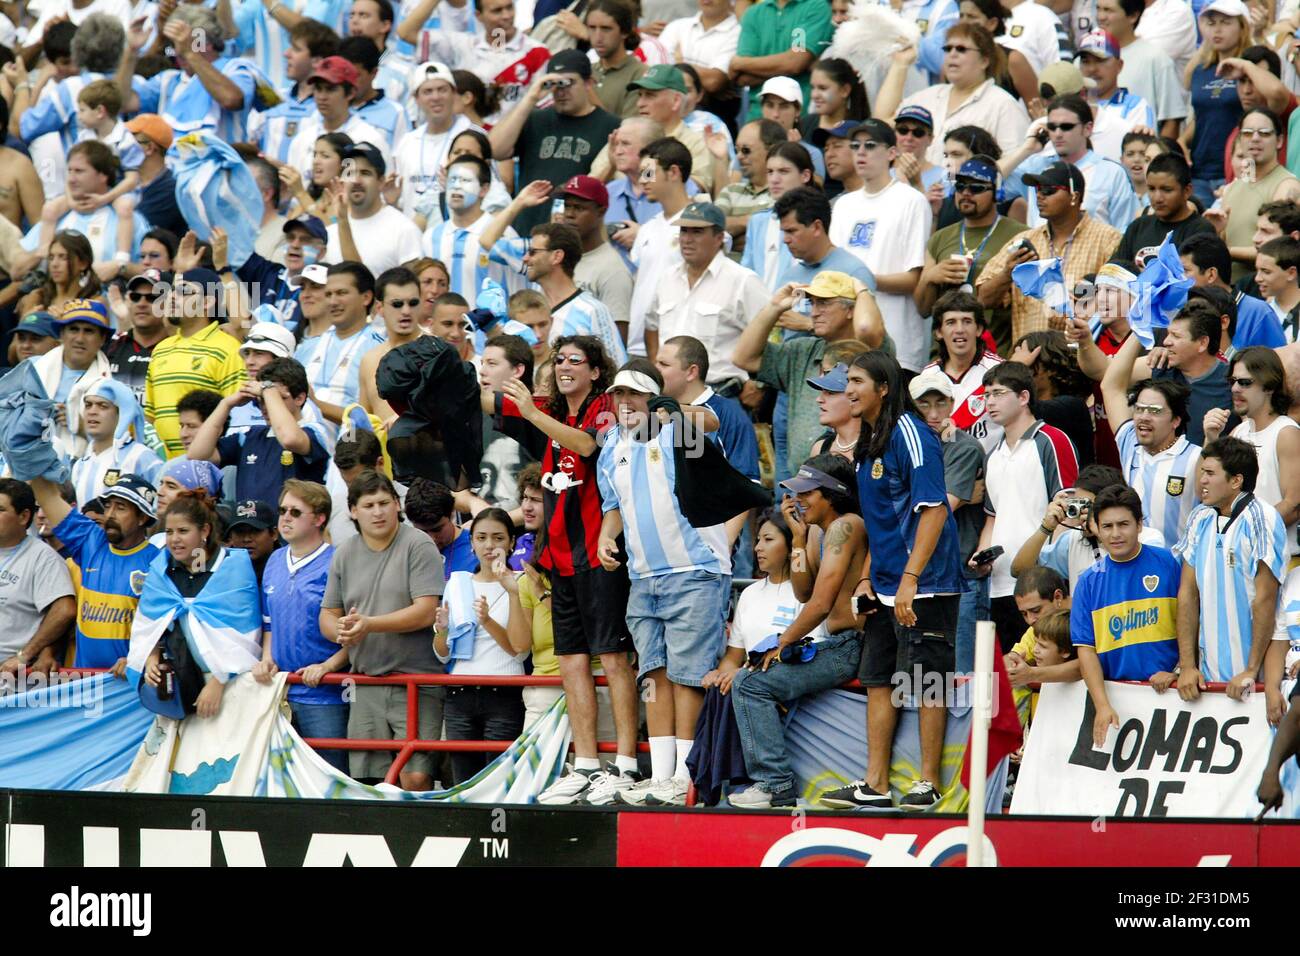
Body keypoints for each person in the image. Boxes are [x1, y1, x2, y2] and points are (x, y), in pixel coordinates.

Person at [504, 337, 642, 806]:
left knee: (615, 657)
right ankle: (585, 764)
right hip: (560, 557)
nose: (564, 366)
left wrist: (533, 415)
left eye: (575, 361)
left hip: (600, 551)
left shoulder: (606, 408)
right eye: (558, 359)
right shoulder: (551, 410)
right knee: (572, 660)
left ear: (596, 371)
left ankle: (625, 765)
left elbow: (585, 445)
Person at [824, 351, 965, 810]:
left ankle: (927, 782)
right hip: (885, 584)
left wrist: (910, 579)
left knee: (927, 680)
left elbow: (934, 510)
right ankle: (876, 783)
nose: (848, 390)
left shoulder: (913, 434)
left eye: (857, 381)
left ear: (883, 388)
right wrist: (867, 579)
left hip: (926, 583)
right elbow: (881, 521)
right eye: (847, 381)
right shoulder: (869, 442)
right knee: (878, 679)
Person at [595, 361, 733, 807]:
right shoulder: (610, 444)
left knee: (688, 677)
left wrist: (670, 410)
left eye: (635, 395)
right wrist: (604, 538)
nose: (625, 403)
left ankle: (687, 780)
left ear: (655, 399)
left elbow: (712, 420)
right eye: (618, 395)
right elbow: (613, 504)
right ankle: (662, 776)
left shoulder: (680, 432)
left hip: (695, 572)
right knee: (653, 675)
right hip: (643, 578)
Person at [727, 456, 866, 809]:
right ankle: (772, 781)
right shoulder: (819, 530)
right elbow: (803, 591)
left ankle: (775, 783)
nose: (799, 499)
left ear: (832, 495)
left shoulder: (846, 525)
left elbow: (819, 604)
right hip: (836, 642)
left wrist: (782, 642)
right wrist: (801, 539)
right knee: (749, 678)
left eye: (807, 492)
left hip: (852, 644)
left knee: (750, 682)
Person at [322, 470, 444, 789]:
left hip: (417, 680)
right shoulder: (344, 552)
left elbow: (426, 611)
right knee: (367, 780)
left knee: (416, 776)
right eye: (368, 505)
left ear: (396, 505)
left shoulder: (419, 544)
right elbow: (327, 614)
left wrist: (368, 625)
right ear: (352, 510)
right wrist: (342, 631)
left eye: (384, 503)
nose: (378, 512)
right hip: (364, 681)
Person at [704, 506, 825, 801]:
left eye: (768, 540)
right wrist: (720, 673)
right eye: (757, 540)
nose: (757, 548)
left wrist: (743, 671)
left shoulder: (809, 594)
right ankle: (712, 783)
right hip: (752, 682)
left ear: (790, 544)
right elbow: (734, 656)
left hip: (791, 683)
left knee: (744, 683)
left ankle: (769, 784)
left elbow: (811, 650)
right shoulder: (749, 594)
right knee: (716, 690)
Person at [733, 271, 880, 480]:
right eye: (812, 303)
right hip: (803, 486)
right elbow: (743, 357)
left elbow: (866, 327)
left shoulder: (870, 350)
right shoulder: (803, 350)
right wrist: (775, 307)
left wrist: (861, 289)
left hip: (854, 487)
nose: (814, 312)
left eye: (824, 303)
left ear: (850, 310)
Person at [132, 490, 264, 721]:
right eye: (169, 532)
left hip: (230, 687)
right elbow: (149, 624)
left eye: (183, 531)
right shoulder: (161, 569)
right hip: (179, 689)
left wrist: (218, 682)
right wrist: (151, 656)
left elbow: (245, 639)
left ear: (204, 531)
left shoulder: (235, 568)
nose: (174, 539)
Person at [977, 360, 1080, 650]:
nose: (990, 402)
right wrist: (981, 556)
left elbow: (1069, 511)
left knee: (1048, 669)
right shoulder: (992, 455)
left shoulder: (1052, 440)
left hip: (1042, 587)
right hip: (998, 585)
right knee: (1012, 679)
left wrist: (1055, 574)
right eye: (986, 395)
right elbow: (992, 518)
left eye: (998, 393)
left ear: (1023, 397)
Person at [1072, 483, 1181, 745]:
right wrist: (1102, 704)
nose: (1116, 534)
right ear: (1096, 528)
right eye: (1107, 526)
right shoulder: (1087, 582)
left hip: (1172, 696)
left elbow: (1193, 624)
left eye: (1124, 524)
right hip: (1118, 699)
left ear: (1139, 524)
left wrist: (1180, 670)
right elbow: (1086, 650)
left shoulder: (1169, 563)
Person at [976, 161, 1122, 344]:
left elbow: (1121, 302)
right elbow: (983, 299)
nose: (1039, 196)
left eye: (1048, 190)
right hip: (1028, 363)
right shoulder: (1023, 240)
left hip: (1081, 362)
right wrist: (1007, 274)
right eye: (1037, 190)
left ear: (1074, 196)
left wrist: (1079, 303)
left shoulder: (1108, 239)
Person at [433, 507, 529, 783]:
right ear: (471, 542)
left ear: (512, 542)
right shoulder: (457, 583)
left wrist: (488, 619)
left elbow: (520, 649)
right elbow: (442, 654)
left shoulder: (521, 582)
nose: (490, 546)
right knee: (463, 780)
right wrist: (441, 630)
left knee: (498, 780)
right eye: (481, 538)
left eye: (498, 538)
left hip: (505, 692)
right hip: (459, 693)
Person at [829, 120, 931, 375]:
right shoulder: (843, 205)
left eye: (870, 145)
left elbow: (914, 279)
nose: (860, 152)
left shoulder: (912, 201)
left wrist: (862, 282)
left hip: (898, 344)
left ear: (892, 153)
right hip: (849, 345)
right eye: (855, 146)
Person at [655, 333, 761, 576]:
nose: (655, 370)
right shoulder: (654, 415)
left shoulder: (728, 414)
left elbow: (746, 485)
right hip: (667, 549)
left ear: (691, 371)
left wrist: (722, 547)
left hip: (714, 551)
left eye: (664, 364)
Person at [487, 50, 622, 238]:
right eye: (555, 84)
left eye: (568, 83)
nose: (561, 91)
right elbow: (494, 149)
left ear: (589, 83)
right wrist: (531, 97)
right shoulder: (535, 119)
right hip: (527, 231)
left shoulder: (611, 125)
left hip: (575, 236)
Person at [31, 471, 153, 675]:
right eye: (108, 506)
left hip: (127, 688)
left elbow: (162, 631)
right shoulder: (91, 541)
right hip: (84, 683)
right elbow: (49, 497)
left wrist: (138, 659)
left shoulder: (157, 563)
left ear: (142, 518)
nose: (110, 515)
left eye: (121, 508)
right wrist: (26, 453)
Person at [909, 367, 989, 672]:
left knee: (963, 677)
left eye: (940, 403)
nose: (933, 412)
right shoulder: (906, 446)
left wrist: (953, 497)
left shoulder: (963, 446)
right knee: (921, 673)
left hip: (960, 576)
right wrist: (964, 494)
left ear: (952, 404)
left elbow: (937, 511)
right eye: (924, 404)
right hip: (920, 576)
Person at [643, 201, 768, 393]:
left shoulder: (743, 280)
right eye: (684, 231)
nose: (687, 239)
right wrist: (656, 366)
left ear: (719, 238)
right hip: (670, 395)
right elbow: (651, 326)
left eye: (697, 232)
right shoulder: (667, 278)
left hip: (722, 392)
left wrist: (758, 385)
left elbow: (769, 337)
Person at [917, 156, 1029, 354]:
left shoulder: (1020, 235)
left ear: (996, 191)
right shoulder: (940, 237)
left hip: (995, 354)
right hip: (944, 357)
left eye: (976, 188)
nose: (966, 193)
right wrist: (930, 277)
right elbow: (923, 309)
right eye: (960, 186)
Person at [877, 22, 1029, 164]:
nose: (952, 54)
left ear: (984, 61)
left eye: (961, 49)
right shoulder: (927, 96)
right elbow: (881, 125)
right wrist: (900, 64)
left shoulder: (1003, 105)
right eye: (948, 49)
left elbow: (1017, 165)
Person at [187, 357, 330, 506]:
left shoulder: (315, 432)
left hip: (289, 526)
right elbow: (197, 455)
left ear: (299, 398)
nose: (265, 406)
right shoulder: (249, 435)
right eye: (260, 400)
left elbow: (289, 439)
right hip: (246, 526)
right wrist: (226, 404)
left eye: (277, 398)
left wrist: (268, 392)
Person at [1203, 348, 1300, 567]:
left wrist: (1245, 532)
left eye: (1245, 383)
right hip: (1240, 557)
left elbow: (1293, 504)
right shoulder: (1239, 432)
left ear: (1269, 387)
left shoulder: (1286, 432)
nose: (1235, 389)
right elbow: (1207, 491)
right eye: (1233, 381)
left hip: (1280, 559)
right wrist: (1211, 439)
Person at [396, 0, 550, 125]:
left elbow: (543, 106)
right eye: (497, 11)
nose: (506, 15)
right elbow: (405, 32)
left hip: (515, 148)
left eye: (509, 7)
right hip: (469, 143)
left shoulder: (537, 52)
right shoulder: (462, 45)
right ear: (478, 15)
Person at [145, 269, 246, 458]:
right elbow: (150, 417)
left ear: (208, 302)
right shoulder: (160, 349)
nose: (172, 297)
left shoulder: (229, 349)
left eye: (183, 291)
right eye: (172, 291)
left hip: (205, 468)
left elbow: (237, 417)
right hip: (160, 470)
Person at [1003, 94, 1139, 231]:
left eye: (1066, 127)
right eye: (1052, 127)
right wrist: (1026, 149)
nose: (1058, 133)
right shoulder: (1034, 166)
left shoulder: (1111, 172)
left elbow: (1125, 230)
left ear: (1087, 128)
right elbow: (988, 180)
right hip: (1040, 249)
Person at [295, 261, 387, 436]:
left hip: (349, 448)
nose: (333, 301)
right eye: (328, 294)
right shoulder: (307, 347)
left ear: (366, 298)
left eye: (341, 293)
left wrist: (316, 405)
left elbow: (372, 419)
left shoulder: (379, 350)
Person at [1211, 107, 1300, 283]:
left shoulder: (1287, 186)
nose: (1255, 138)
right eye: (1247, 133)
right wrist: (1215, 231)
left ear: (1280, 141)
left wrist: (1223, 252)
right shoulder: (1233, 187)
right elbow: (1225, 238)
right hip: (1229, 291)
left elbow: (1279, 248)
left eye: (1265, 133)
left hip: (1264, 293)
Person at [247, 19, 342, 164]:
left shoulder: (329, 108)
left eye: (296, 49)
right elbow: (251, 144)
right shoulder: (273, 97)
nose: (286, 54)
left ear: (317, 61)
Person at [284, 56, 391, 181]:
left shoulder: (369, 139)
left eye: (330, 89)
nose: (322, 97)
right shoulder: (302, 140)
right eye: (318, 89)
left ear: (350, 93)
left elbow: (382, 189)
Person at [1185, 0, 1249, 210]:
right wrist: (1181, 140)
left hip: (1237, 168)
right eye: (1211, 23)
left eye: (1225, 22)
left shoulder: (1251, 67)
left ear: (1242, 27)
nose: (1217, 29)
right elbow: (1202, 114)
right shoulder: (1201, 70)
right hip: (1200, 171)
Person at [922, 290, 1005, 450]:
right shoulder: (928, 375)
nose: (959, 329)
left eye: (967, 321)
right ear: (939, 332)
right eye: (951, 322)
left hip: (991, 470)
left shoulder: (999, 370)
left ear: (979, 329)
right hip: (947, 469)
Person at [556, 176, 635, 339]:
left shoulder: (613, 270)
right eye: (567, 206)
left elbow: (616, 342)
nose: (570, 214)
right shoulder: (558, 258)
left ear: (601, 211)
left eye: (579, 208)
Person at [326, 143, 423, 276]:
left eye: (365, 173)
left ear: (381, 182)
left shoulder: (404, 230)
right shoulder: (330, 232)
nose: (356, 181)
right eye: (350, 173)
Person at [728, 0, 833, 121]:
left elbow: (794, 63)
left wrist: (739, 63)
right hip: (757, 119)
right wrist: (791, 66)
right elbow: (742, 78)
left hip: (798, 119)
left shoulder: (816, 7)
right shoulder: (753, 13)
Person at [1095, 0, 1186, 138]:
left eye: (1108, 10)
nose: (1101, 16)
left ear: (1133, 16)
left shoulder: (1155, 58)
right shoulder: (1085, 57)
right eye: (1098, 9)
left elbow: (1171, 120)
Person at [1179, 233, 1285, 350]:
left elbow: (1278, 363)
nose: (1179, 278)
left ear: (1211, 274)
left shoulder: (1258, 313)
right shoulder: (1182, 310)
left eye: (1185, 270)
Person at [69, 380, 164, 508]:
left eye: (102, 406)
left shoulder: (143, 458)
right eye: (88, 405)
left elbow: (159, 511)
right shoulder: (80, 465)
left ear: (121, 413)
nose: (92, 411)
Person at [1114, 154, 1215, 269]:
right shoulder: (1138, 227)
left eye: (1166, 190)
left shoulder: (1201, 231)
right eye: (1151, 189)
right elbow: (1113, 273)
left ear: (1187, 191)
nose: (1157, 198)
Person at [1076, 29, 1158, 163]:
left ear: (1119, 66)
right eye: (1085, 61)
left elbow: (1142, 159)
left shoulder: (1136, 106)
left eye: (1100, 60)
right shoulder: (1070, 106)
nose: (1092, 69)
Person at [104, 269, 171, 404]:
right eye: (136, 297)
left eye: (152, 298)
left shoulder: (178, 350)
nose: (141, 303)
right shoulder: (108, 345)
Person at [406, 478, 477, 577]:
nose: (431, 539)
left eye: (437, 530)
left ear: (452, 513)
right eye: (422, 531)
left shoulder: (478, 549)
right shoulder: (408, 554)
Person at [1255, 237, 1300, 342]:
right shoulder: (1258, 314)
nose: (1257, 278)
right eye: (1257, 270)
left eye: (1266, 272)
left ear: (1291, 273)